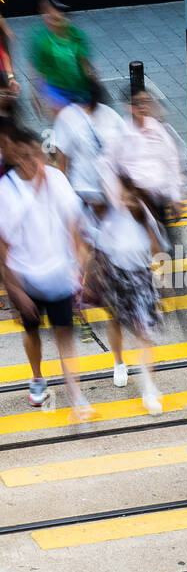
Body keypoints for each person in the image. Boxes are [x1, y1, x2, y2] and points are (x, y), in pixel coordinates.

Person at [0, 126, 93, 418]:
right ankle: (37, 375)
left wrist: (78, 270)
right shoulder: (7, 191)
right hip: (26, 278)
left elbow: (75, 227)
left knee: (65, 336)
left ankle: (76, 396)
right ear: (15, 156)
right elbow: (3, 248)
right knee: (33, 334)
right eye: (25, 155)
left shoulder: (56, 179)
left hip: (59, 275)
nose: (33, 161)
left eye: (36, 154)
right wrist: (14, 290)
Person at [88, 175, 168, 413]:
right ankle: (119, 362)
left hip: (141, 278)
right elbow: (99, 246)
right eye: (122, 195)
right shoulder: (110, 214)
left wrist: (161, 276)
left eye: (130, 196)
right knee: (115, 322)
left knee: (145, 334)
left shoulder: (144, 215)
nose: (126, 200)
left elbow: (157, 250)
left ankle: (149, 388)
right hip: (115, 276)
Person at [107, 87, 186, 232]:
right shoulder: (120, 133)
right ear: (128, 106)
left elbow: (172, 160)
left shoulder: (157, 128)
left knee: (165, 247)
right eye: (137, 103)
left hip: (159, 201)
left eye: (146, 101)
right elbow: (108, 165)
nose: (143, 106)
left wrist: (176, 197)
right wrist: (119, 199)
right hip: (137, 203)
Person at [52, 78, 124, 213]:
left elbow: (125, 146)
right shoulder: (67, 117)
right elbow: (60, 162)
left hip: (110, 191)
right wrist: (65, 195)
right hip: (83, 193)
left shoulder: (108, 113)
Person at [26, 0, 94, 117]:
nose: (51, 18)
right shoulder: (43, 41)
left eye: (57, 14)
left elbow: (85, 63)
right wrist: (35, 94)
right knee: (65, 124)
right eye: (46, 13)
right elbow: (38, 71)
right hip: (57, 90)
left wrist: (93, 82)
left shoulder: (77, 35)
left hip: (81, 90)